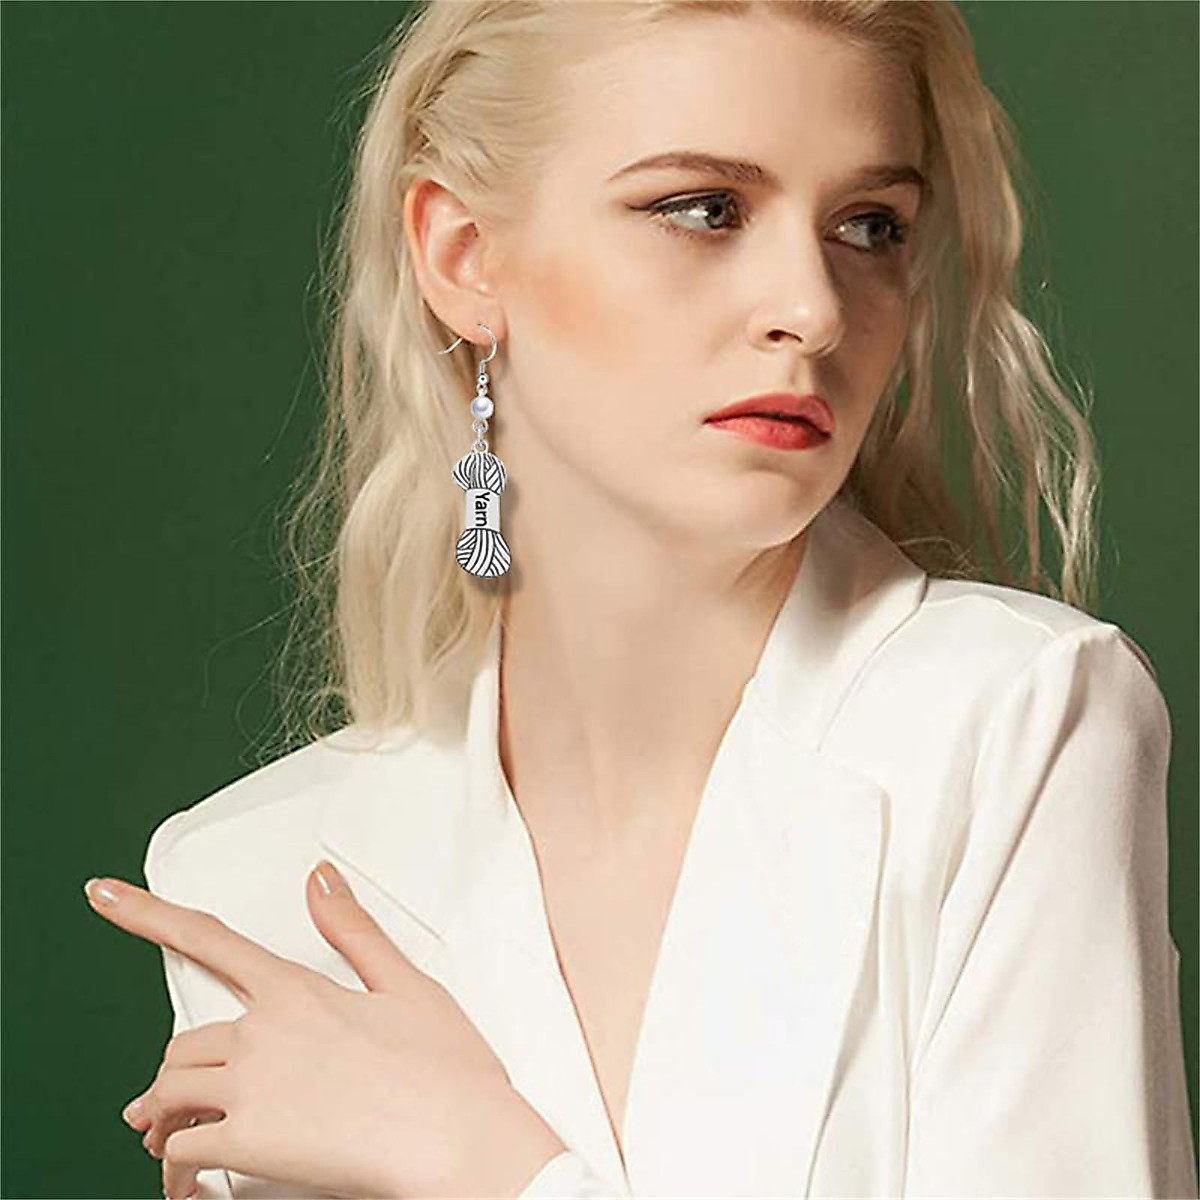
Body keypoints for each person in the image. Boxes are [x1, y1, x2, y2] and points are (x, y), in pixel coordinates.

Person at [99, 1, 1198, 1196]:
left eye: (868, 226)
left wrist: (482, 1164)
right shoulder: (256, 879)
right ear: (464, 257)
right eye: (703, 209)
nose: (813, 309)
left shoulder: (1014, 724)